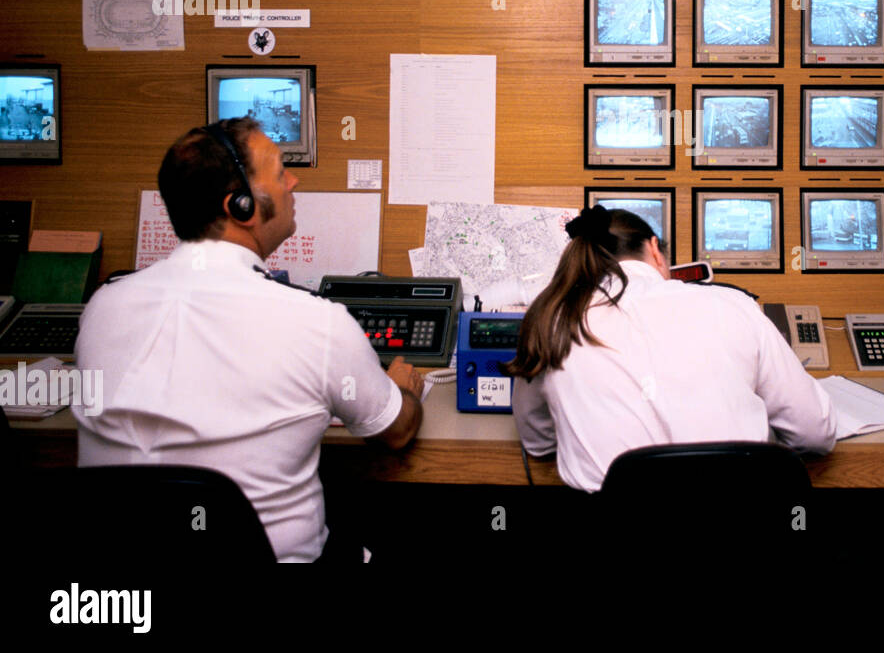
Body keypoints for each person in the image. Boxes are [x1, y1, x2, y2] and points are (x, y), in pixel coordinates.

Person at [73, 118, 425, 561]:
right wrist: (403, 389)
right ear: (240, 206)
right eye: (280, 173)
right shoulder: (316, 323)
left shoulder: (102, 308)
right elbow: (395, 431)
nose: (294, 181)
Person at [507, 206, 837, 492]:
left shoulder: (552, 321)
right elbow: (815, 433)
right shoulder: (734, 305)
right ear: (654, 250)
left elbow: (538, 442)